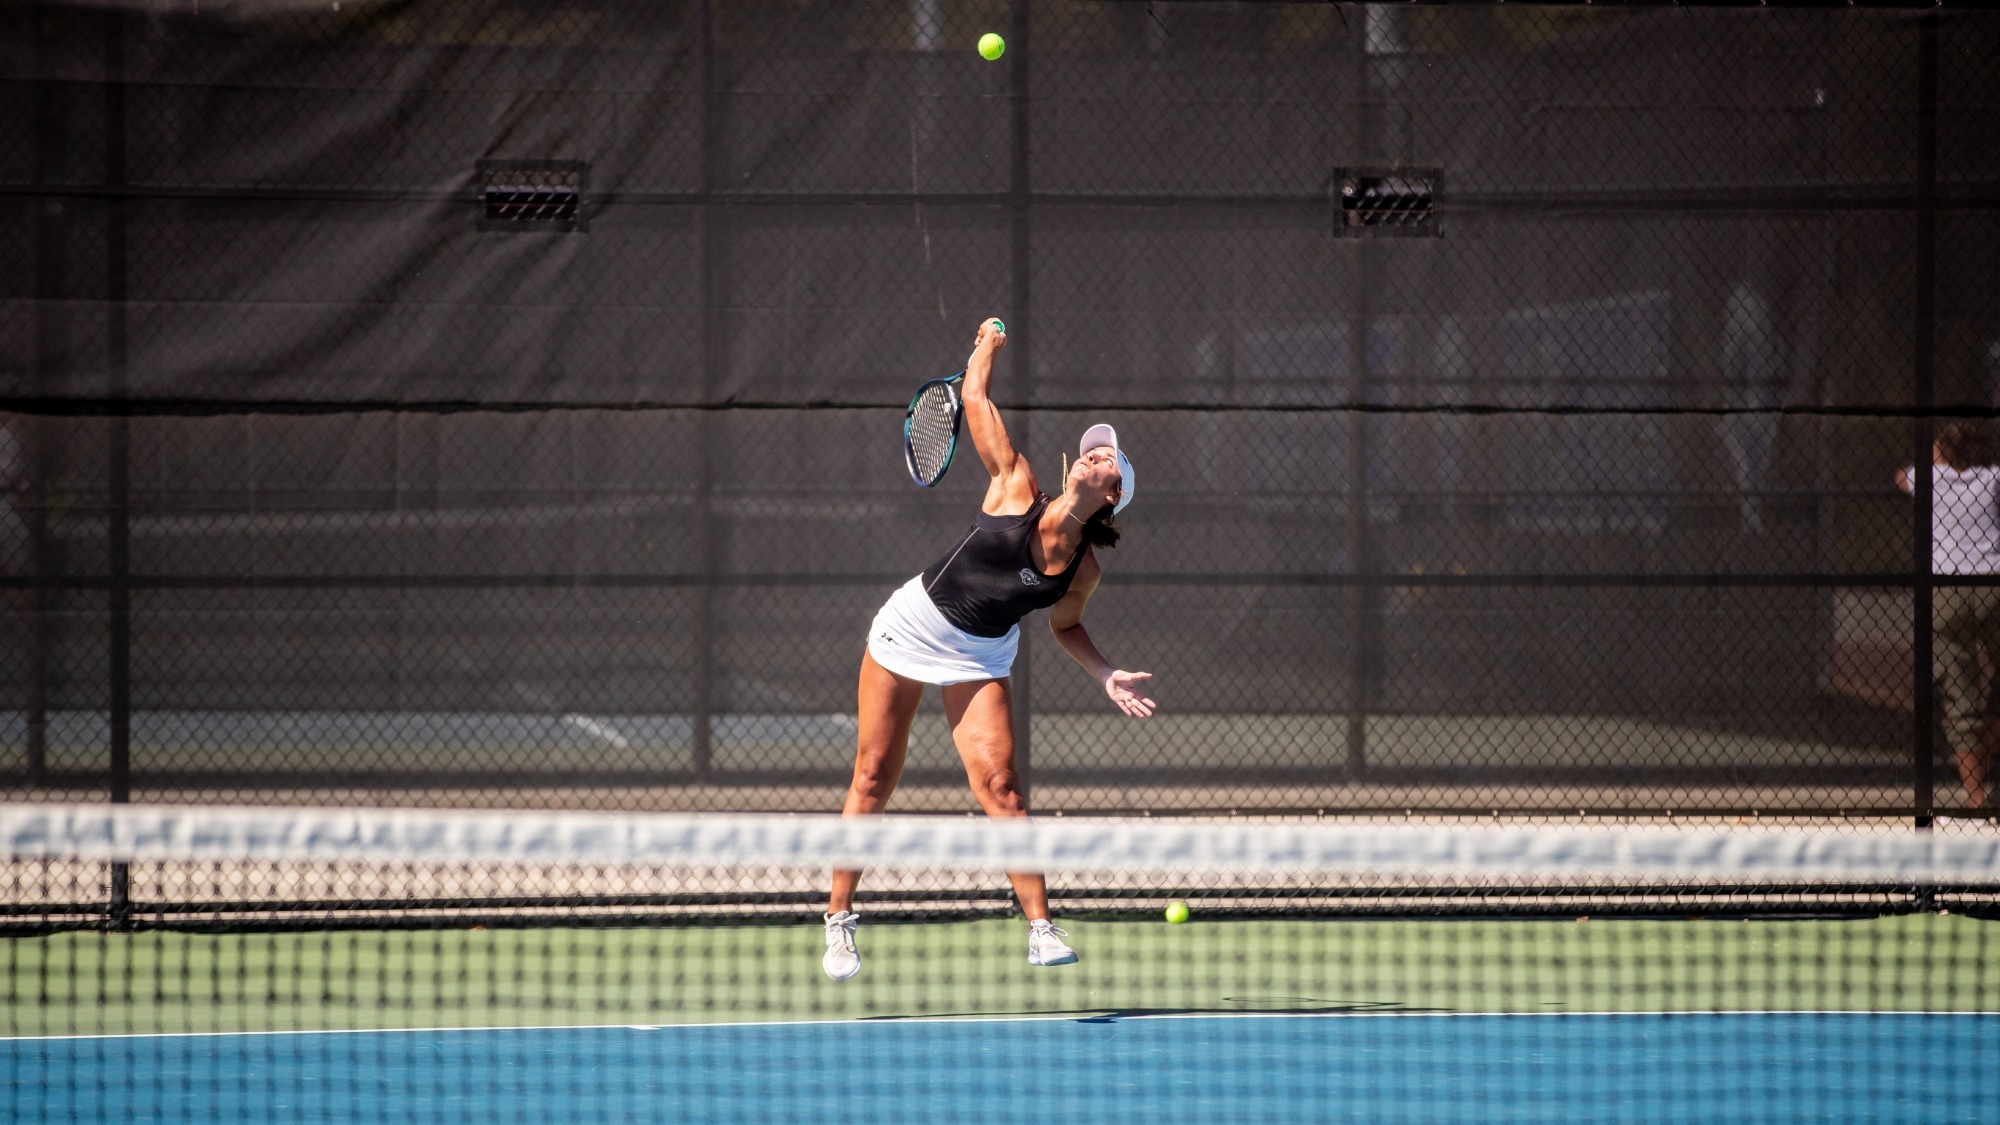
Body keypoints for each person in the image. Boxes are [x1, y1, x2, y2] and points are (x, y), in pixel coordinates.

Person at [821, 318, 1156, 981]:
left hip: (980, 656)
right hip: (910, 626)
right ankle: (838, 921)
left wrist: (1106, 672)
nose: (1096, 455)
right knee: (872, 776)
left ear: (1112, 497)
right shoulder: (1015, 483)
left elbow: (1064, 626)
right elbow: (974, 400)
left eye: (1109, 457)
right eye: (1092, 449)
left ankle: (1040, 928)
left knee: (1002, 788)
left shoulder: (1082, 571)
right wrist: (989, 344)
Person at [1897, 420, 2000, 811]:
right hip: (1992, 583)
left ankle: (1977, 799)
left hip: (1947, 589)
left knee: (1960, 695)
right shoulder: (1991, 477)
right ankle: (1989, 746)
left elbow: (1900, 478)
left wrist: (1935, 464)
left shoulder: (1930, 478)